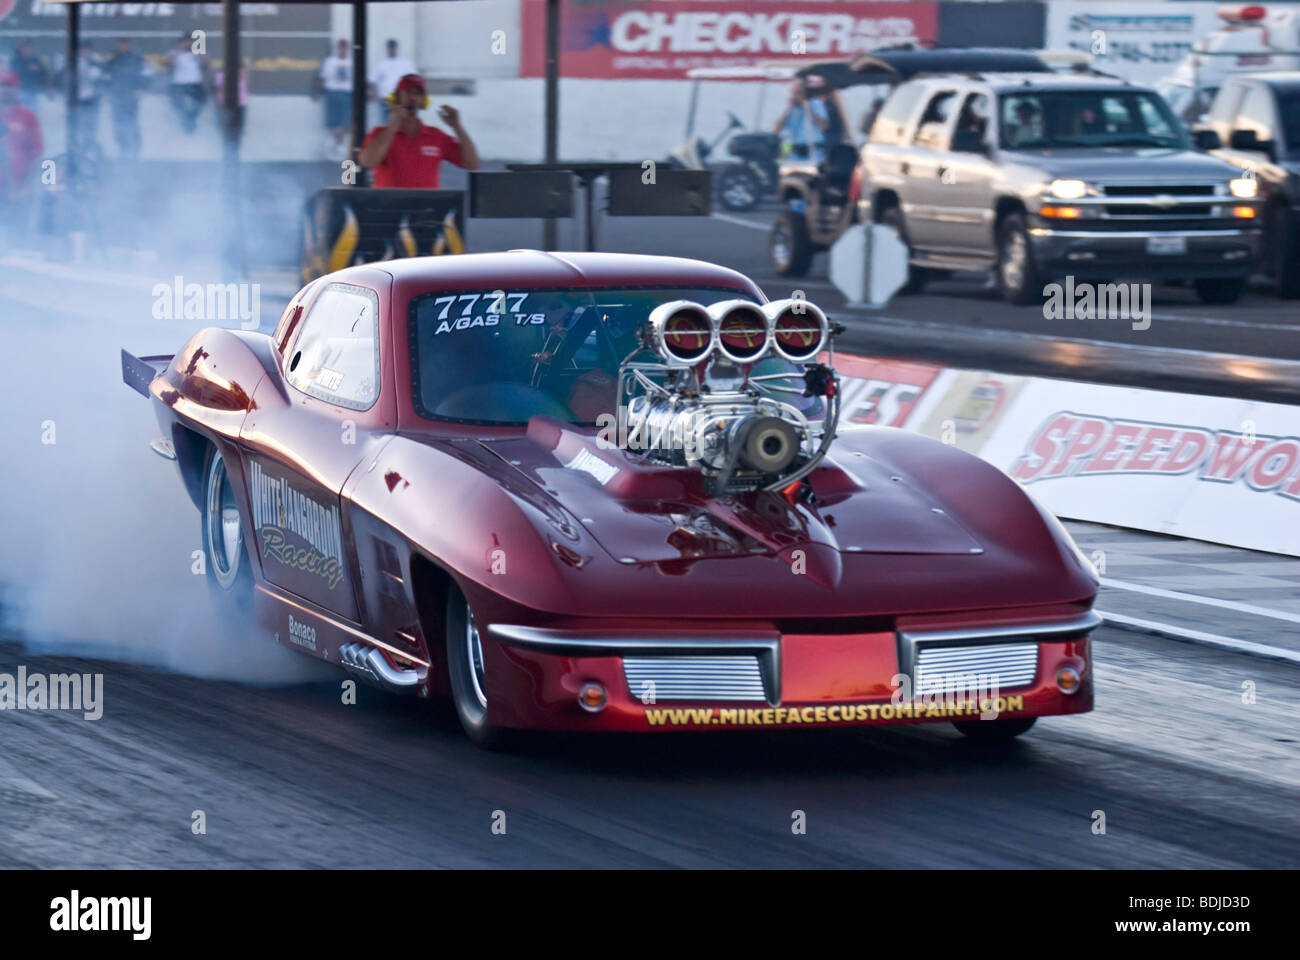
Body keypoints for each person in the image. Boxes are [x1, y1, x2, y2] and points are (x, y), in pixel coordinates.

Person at [358, 73, 479, 188]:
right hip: (387, 207)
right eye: (408, 92)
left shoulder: (436, 136)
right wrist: (392, 127)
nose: (413, 98)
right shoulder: (379, 134)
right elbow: (367, 161)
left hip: (428, 207)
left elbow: (472, 163)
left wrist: (457, 126)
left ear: (423, 100)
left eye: (417, 93)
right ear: (396, 97)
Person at [0, 69, 44, 248]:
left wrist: (30, 186)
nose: (4, 90)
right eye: (1, 86)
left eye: (9, 86)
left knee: (16, 242)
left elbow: (37, 153)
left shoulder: (28, 116)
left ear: (17, 89)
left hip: (20, 191)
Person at [103, 38, 150, 160]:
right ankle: (122, 149)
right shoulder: (113, 61)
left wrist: (141, 88)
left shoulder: (137, 60)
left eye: (125, 44)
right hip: (117, 97)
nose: (122, 47)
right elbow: (105, 77)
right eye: (120, 44)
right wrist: (108, 92)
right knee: (118, 123)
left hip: (131, 97)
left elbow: (147, 75)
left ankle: (135, 150)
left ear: (129, 45)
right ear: (117, 45)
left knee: (132, 123)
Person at [317, 39, 354, 160]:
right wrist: (320, 91)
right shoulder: (330, 62)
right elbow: (323, 78)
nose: (342, 50)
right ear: (337, 48)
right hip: (332, 93)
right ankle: (337, 144)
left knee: (344, 121)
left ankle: (339, 145)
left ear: (347, 48)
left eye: (345, 47)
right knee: (332, 121)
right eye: (340, 47)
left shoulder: (352, 62)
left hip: (347, 94)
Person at [166, 34, 206, 133]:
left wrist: (198, 54)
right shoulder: (174, 52)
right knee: (176, 103)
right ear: (181, 42)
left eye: (190, 41)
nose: (188, 43)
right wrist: (179, 51)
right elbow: (167, 64)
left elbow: (206, 65)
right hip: (178, 84)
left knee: (201, 101)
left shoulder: (198, 53)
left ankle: (190, 119)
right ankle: (185, 121)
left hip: (195, 84)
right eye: (185, 41)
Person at [367, 39, 416, 119]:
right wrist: (374, 96)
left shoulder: (406, 64)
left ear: (396, 48)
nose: (391, 49)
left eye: (393, 47)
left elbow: (414, 80)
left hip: (401, 99)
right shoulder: (380, 64)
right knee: (386, 124)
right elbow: (372, 81)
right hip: (384, 100)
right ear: (387, 49)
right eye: (389, 47)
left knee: (400, 122)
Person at [72, 43, 103, 158]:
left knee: (91, 128)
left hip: (92, 100)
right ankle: (78, 151)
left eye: (88, 50)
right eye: (83, 50)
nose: (86, 52)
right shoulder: (74, 63)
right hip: (79, 101)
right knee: (79, 128)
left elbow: (103, 81)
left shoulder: (95, 63)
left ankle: (88, 150)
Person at [212, 58, 250, 139]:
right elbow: (218, 88)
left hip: (241, 103)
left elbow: (247, 88)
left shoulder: (242, 75)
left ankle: (236, 139)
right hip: (224, 103)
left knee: (239, 125)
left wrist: (243, 76)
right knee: (225, 124)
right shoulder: (221, 75)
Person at [12, 42, 51, 109]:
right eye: (26, 49)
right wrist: (28, 69)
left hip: (36, 91)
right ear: (21, 49)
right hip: (21, 90)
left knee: (34, 109)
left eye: (30, 49)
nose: (28, 51)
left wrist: (48, 87)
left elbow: (44, 73)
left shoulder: (35, 60)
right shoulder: (16, 61)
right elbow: (15, 74)